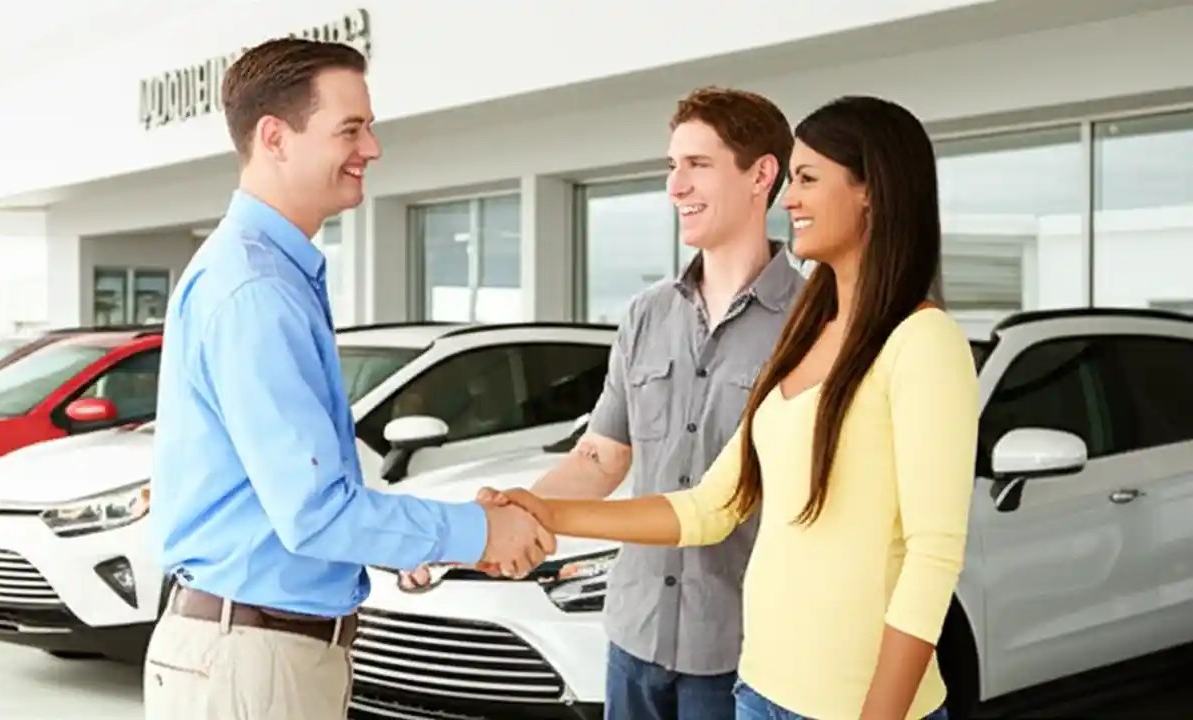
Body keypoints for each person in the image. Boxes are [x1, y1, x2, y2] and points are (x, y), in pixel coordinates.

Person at [483, 96, 980, 720]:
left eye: (808, 179)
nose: (791, 200)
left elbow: (933, 559)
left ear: (870, 192)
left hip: (846, 704)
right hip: (761, 690)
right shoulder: (806, 331)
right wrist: (542, 509)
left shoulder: (922, 341)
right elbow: (710, 505)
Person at [144, 38, 554, 719]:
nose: (373, 148)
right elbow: (315, 514)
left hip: (259, 652)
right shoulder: (255, 290)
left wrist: (402, 543)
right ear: (275, 137)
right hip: (255, 661)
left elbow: (294, 505)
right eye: (350, 128)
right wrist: (481, 532)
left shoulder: (264, 275)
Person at [405, 86, 803, 720]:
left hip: (748, 649)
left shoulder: (811, 323)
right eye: (671, 166)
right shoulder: (648, 314)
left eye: (697, 164)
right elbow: (600, 456)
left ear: (762, 175)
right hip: (634, 636)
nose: (675, 186)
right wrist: (512, 513)